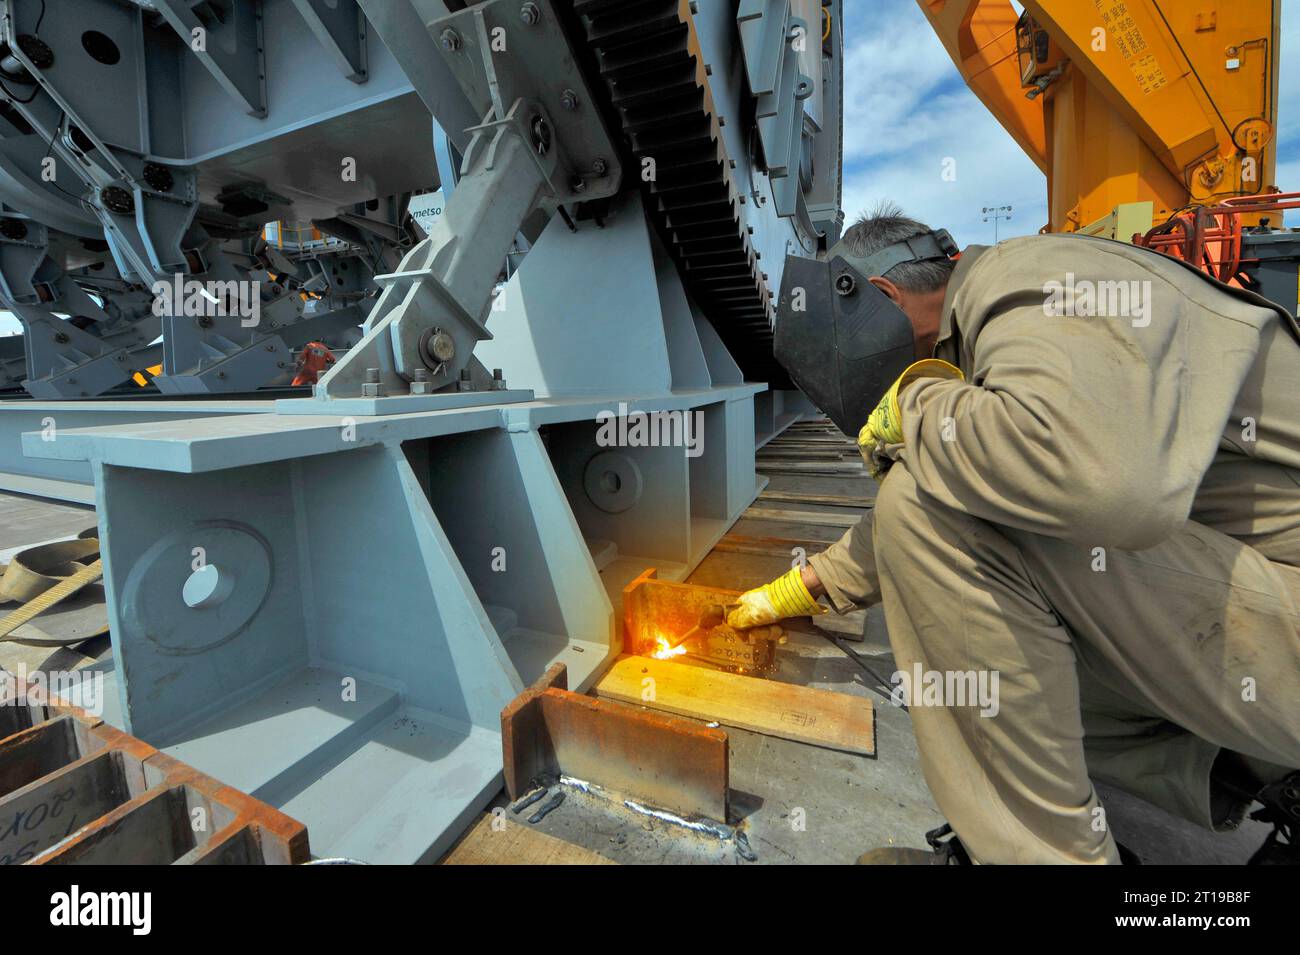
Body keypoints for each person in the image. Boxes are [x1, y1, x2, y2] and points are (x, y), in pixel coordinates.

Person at [733, 203, 1300, 864]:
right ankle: (1237, 765)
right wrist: (799, 588)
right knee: (967, 671)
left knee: (922, 503)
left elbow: (1097, 480)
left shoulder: (1022, 276)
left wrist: (914, 400)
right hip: (1259, 634)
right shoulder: (993, 325)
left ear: (884, 296)